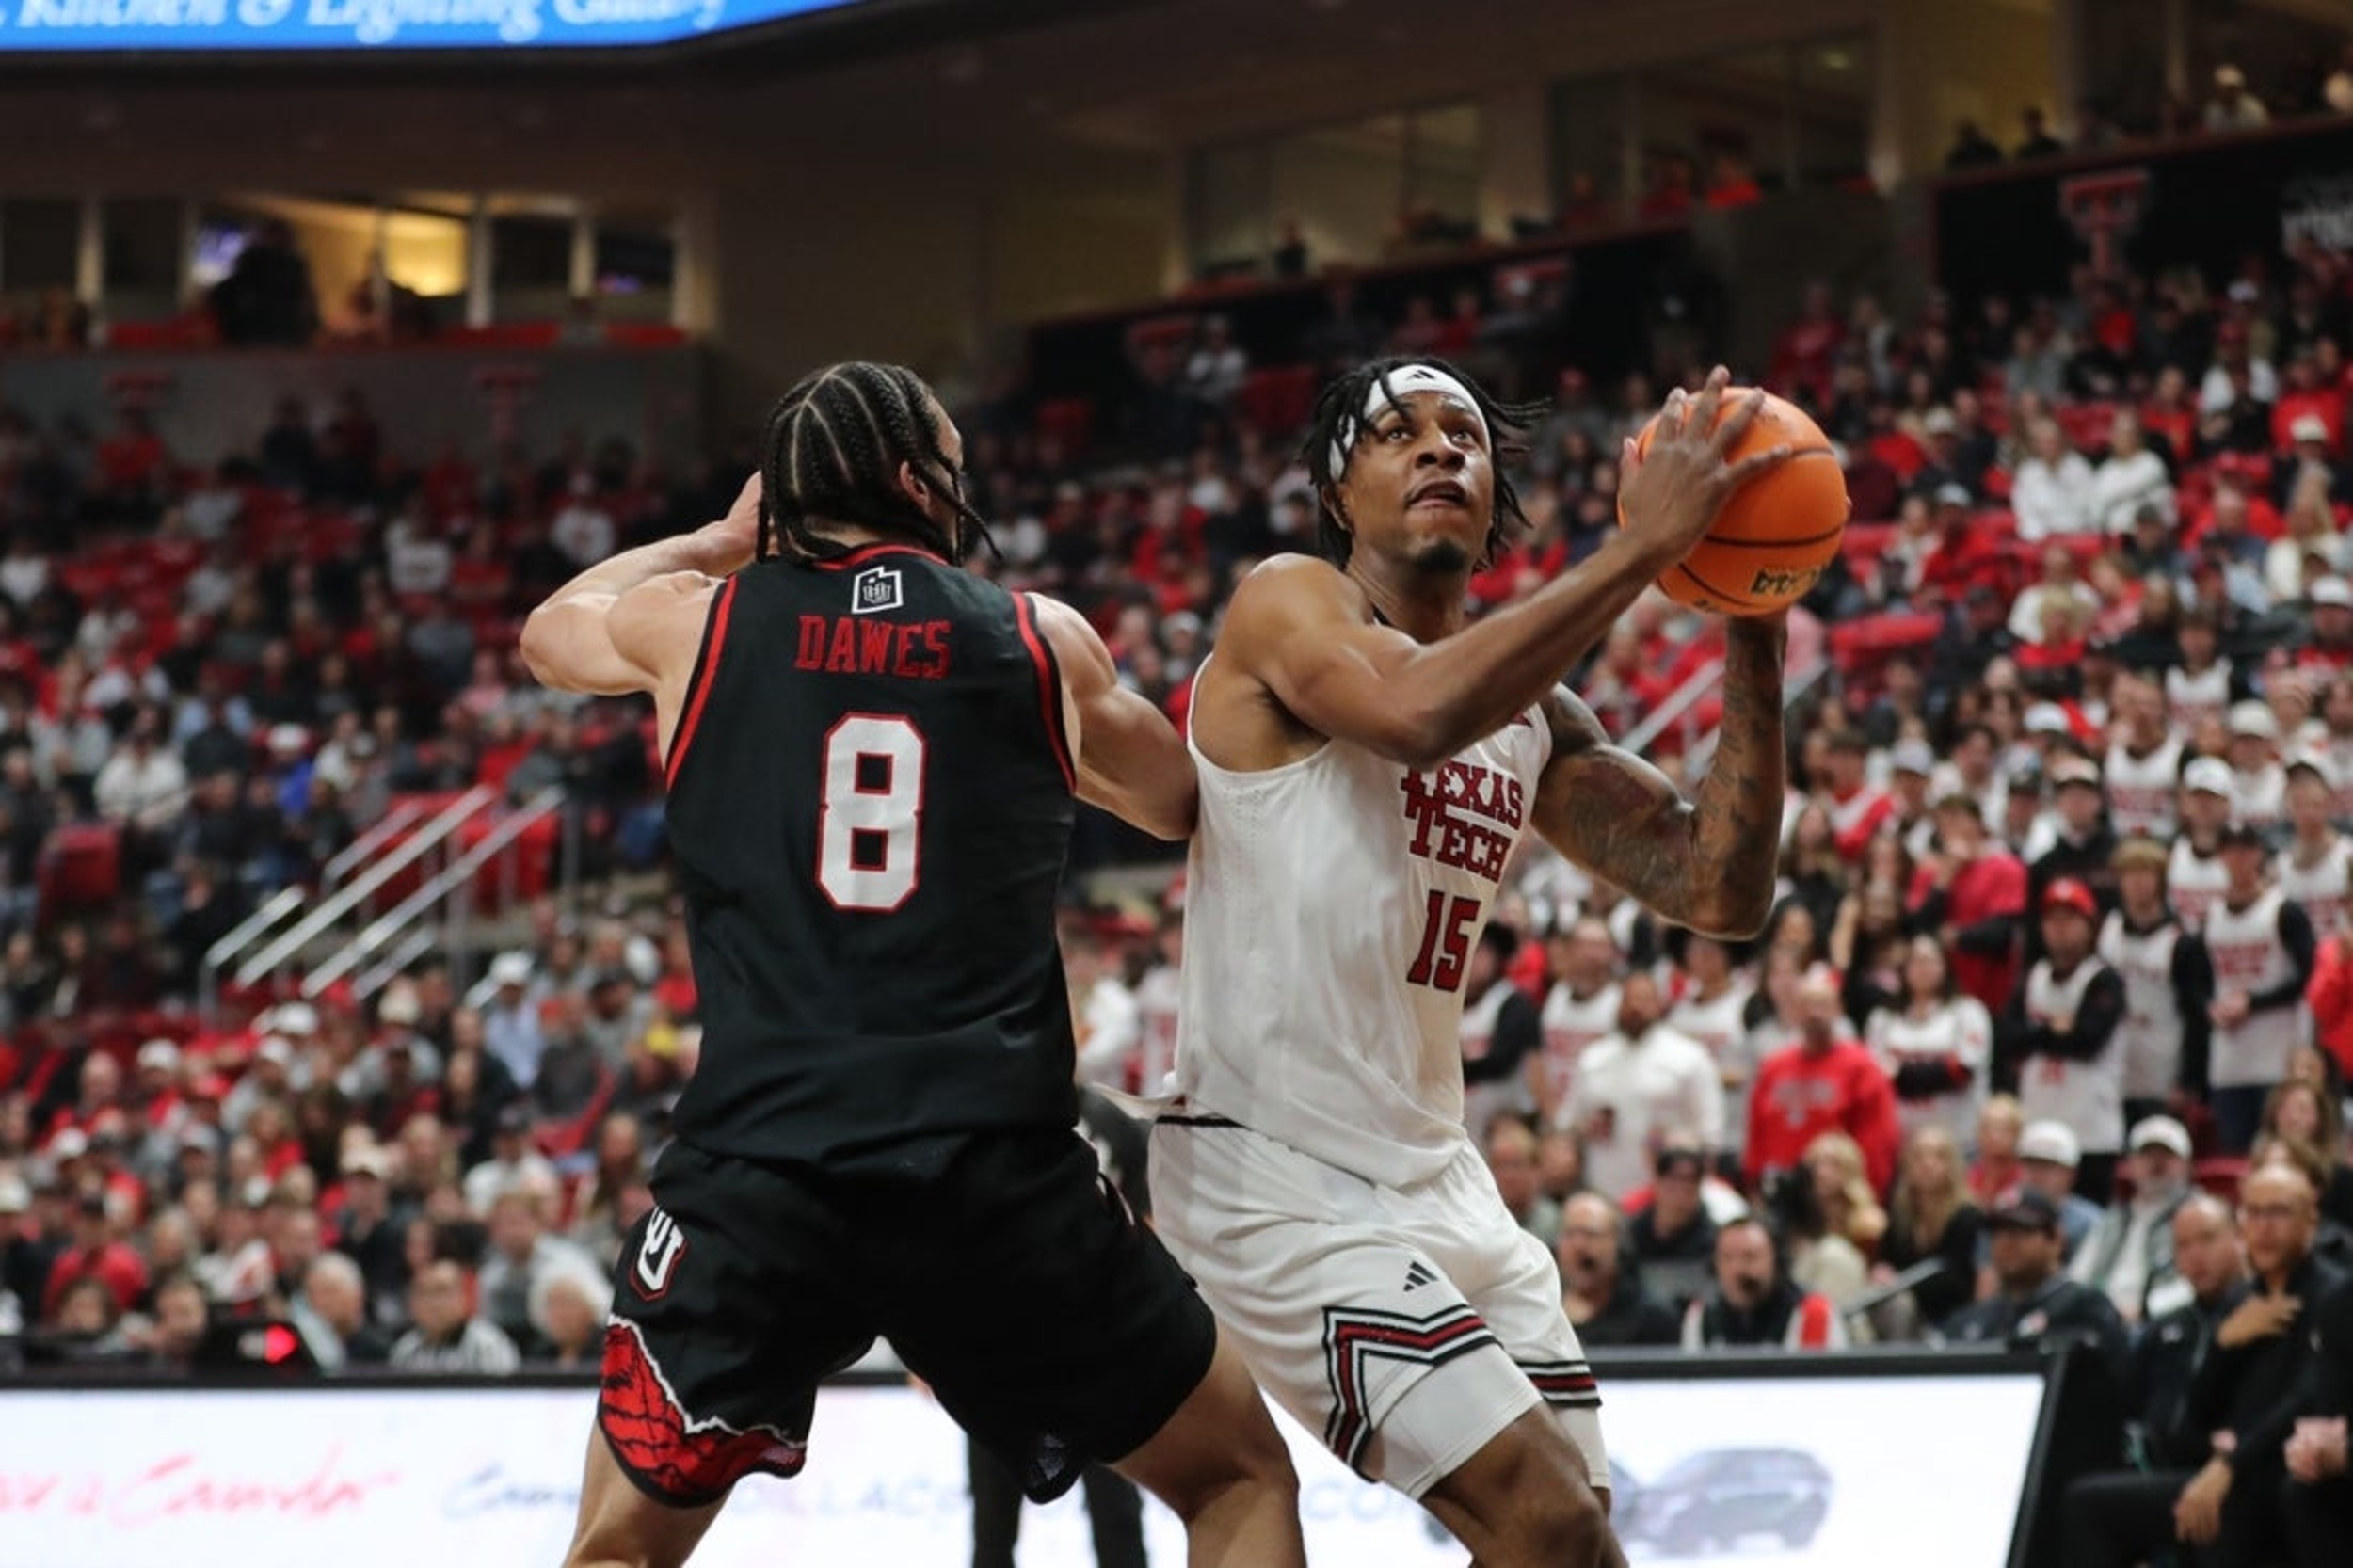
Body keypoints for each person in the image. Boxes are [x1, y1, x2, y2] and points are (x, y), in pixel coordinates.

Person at [520, 361, 1305, 1568]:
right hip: (987, 1174)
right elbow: (1175, 802)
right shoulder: (1038, 641)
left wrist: (715, 542)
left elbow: (548, 632)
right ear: (912, 478)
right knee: (1236, 1478)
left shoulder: (695, 621)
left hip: (761, 1167)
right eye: (950, 457)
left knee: (620, 1547)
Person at [1151, 361, 1795, 1568]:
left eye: (1463, 433)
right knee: (1543, 1519)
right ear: (1338, 495)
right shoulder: (1287, 603)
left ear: (1496, 490)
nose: (1439, 448)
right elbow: (1412, 715)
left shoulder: (1531, 714)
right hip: (1272, 1171)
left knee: (1576, 1546)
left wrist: (1753, 611)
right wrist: (1642, 551)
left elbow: (1721, 886)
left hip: (1437, 1178)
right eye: (1397, 434)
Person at [2060, 1193, 2251, 1568]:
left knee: (2090, 1502)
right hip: (2161, 1469)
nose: (2196, 1255)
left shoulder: (2261, 1313)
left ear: (2238, 1237)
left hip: (2231, 1468)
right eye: (2184, 1245)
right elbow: (2126, 1407)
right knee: (2083, 1489)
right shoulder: (2166, 1328)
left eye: (2208, 1239)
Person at [2177, 1161, 2343, 1566]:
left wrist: (2231, 1464)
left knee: (2232, 1503)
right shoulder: (2239, 1300)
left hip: (2284, 1469)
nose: (2264, 1227)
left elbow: (2307, 1399)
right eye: (2253, 1212)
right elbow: (2190, 1422)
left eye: (2278, 1212)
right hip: (2228, 1468)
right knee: (2090, 1502)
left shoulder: (2334, 1295)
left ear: (2311, 1221)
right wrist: (2223, 1346)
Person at [1997, 877, 2130, 1203]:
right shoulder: (2033, 977)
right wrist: (2053, 1029)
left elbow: (2087, 1041)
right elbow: (2007, 1038)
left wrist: (2036, 1034)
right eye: (2052, 919)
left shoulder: (2104, 979)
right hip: (2038, 1124)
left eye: (2069, 919)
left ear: (2089, 925)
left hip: (2091, 1132)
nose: (2059, 928)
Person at [1939, 1188, 2129, 1381]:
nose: (2005, 1243)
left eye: (2019, 1231)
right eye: (1997, 1233)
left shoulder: (2086, 1308)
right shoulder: (1974, 1318)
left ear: (2055, 1239)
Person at [2068, 1115, 2197, 1325]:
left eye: (2167, 1155)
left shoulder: (2196, 1216)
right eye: (2147, 1154)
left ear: (2187, 1165)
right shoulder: (2112, 1218)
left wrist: (2146, 1310)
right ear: (2130, 1164)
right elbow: (2078, 1277)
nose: (2157, 1163)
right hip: (2100, 1321)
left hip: (2160, 1321)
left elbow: (2198, 1283)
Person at [1680, 1216, 1848, 1351]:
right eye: (1727, 1258)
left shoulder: (1814, 1314)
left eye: (1750, 1257)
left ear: (1776, 1261)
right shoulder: (1701, 1316)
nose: (1738, 1269)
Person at [1557, 1192, 1680, 1348]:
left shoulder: (1653, 1318)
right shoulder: (1543, 1309)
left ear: (1618, 1243)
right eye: (1570, 1234)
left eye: (1591, 1234)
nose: (1578, 1246)